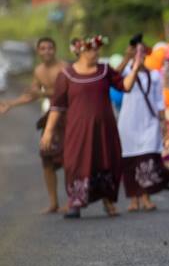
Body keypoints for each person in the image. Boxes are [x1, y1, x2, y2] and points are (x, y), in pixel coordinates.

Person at [41, 36, 141, 218]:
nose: (96, 53)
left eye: (97, 49)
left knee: (106, 161)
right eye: (91, 50)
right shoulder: (66, 75)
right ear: (80, 52)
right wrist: (48, 132)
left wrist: (135, 67)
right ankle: (75, 202)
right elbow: (57, 107)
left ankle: (108, 200)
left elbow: (125, 86)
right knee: (75, 163)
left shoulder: (104, 70)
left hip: (104, 130)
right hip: (78, 131)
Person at [0, 37, 65, 213]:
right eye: (43, 48)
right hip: (51, 117)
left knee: (70, 159)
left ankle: (74, 199)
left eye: (50, 48)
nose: (47, 51)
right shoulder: (38, 71)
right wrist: (10, 104)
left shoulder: (64, 68)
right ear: (38, 52)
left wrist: (42, 93)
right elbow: (32, 94)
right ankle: (53, 202)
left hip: (69, 115)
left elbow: (65, 92)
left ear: (55, 49)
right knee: (47, 157)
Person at [116, 37, 168, 212]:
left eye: (141, 52)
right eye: (136, 52)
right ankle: (133, 199)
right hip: (128, 122)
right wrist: (127, 58)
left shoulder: (154, 75)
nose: (139, 55)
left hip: (149, 122)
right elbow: (114, 77)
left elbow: (159, 100)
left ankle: (146, 196)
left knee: (147, 157)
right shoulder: (126, 72)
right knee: (130, 159)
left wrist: (163, 123)